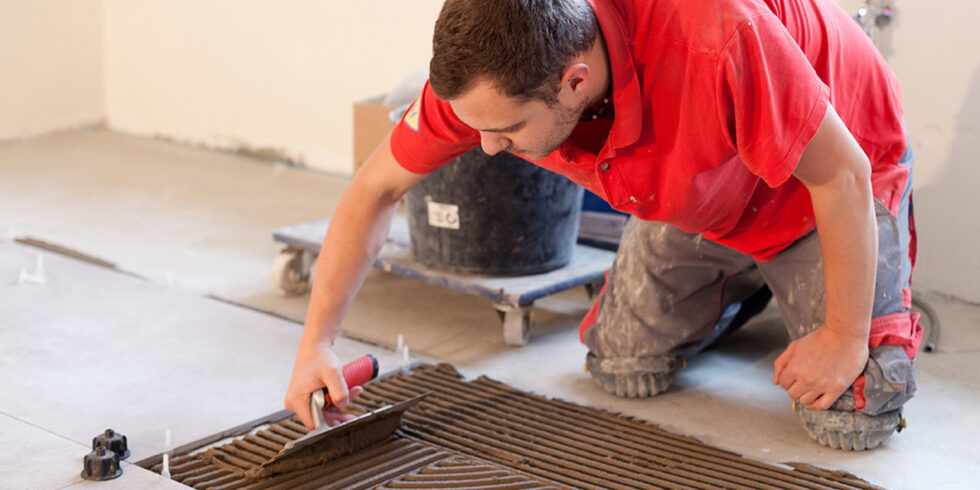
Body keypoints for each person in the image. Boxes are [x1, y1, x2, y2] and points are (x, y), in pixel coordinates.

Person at [284, 0, 922, 450]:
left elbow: (842, 176)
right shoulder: (497, 74)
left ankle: (804, 287)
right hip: (696, 197)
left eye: (505, 131)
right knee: (622, 369)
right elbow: (374, 189)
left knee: (851, 418)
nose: (484, 147)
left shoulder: (716, 34)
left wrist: (842, 335)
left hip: (821, 195)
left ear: (574, 81)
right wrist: (316, 344)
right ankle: (750, 285)